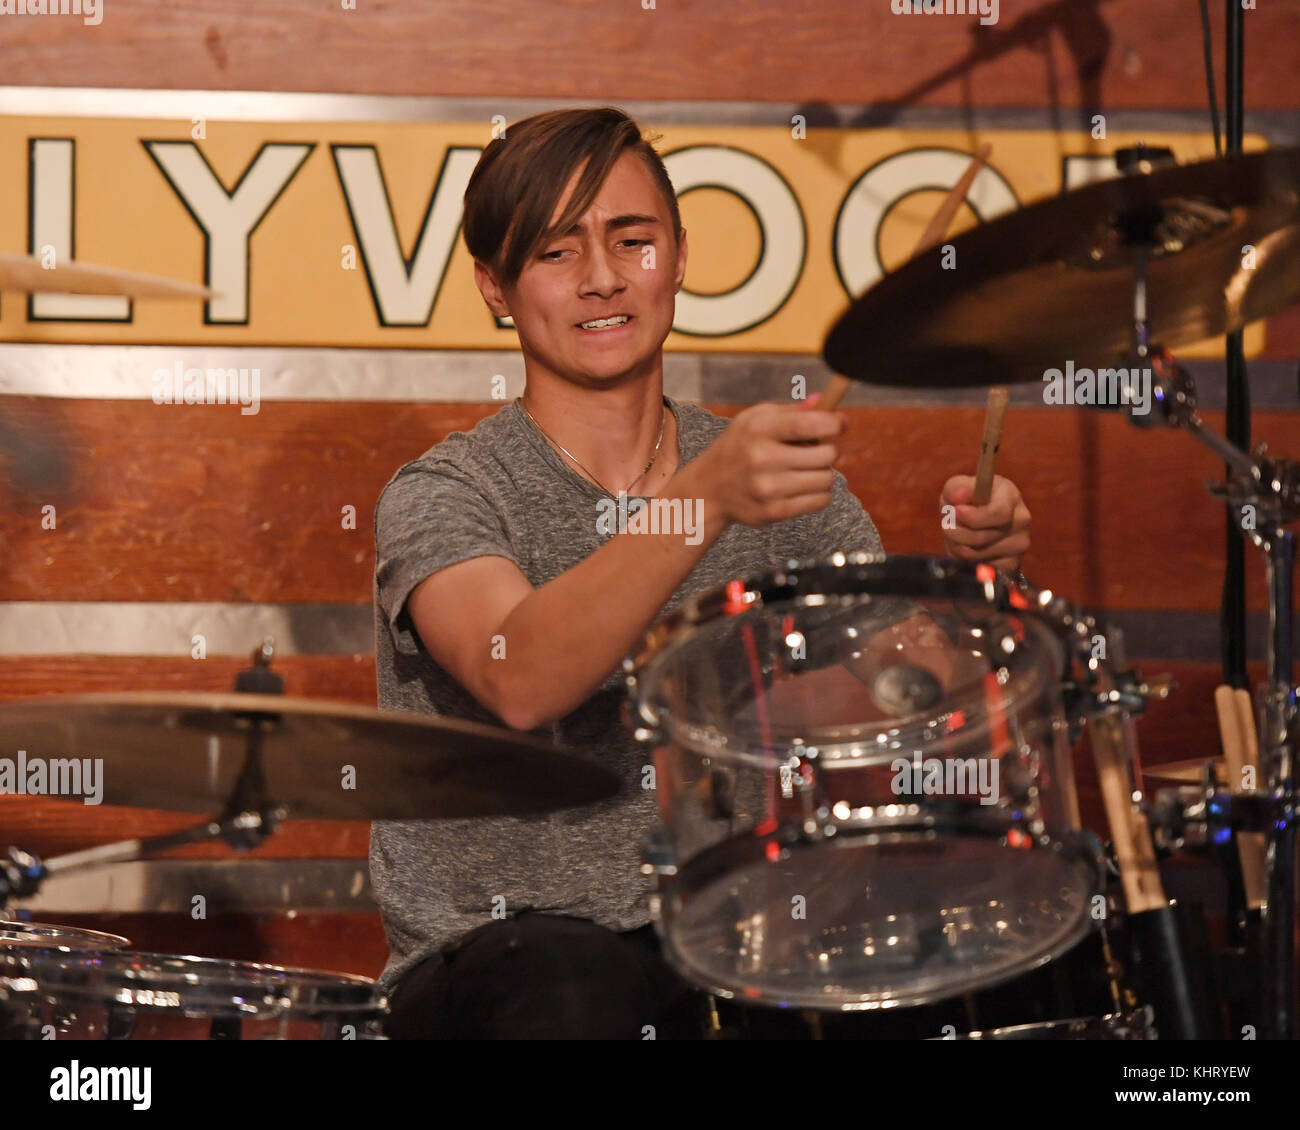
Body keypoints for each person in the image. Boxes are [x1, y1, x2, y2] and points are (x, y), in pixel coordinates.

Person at [370, 106, 1031, 1039]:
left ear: (679, 256)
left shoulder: (782, 486)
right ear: (495, 287)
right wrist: (703, 501)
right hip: (501, 958)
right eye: (557, 253)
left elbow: (916, 699)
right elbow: (519, 676)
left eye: (631, 240)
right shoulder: (446, 492)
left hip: (730, 940)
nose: (603, 278)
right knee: (576, 988)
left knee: (958, 957)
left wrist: (977, 586)